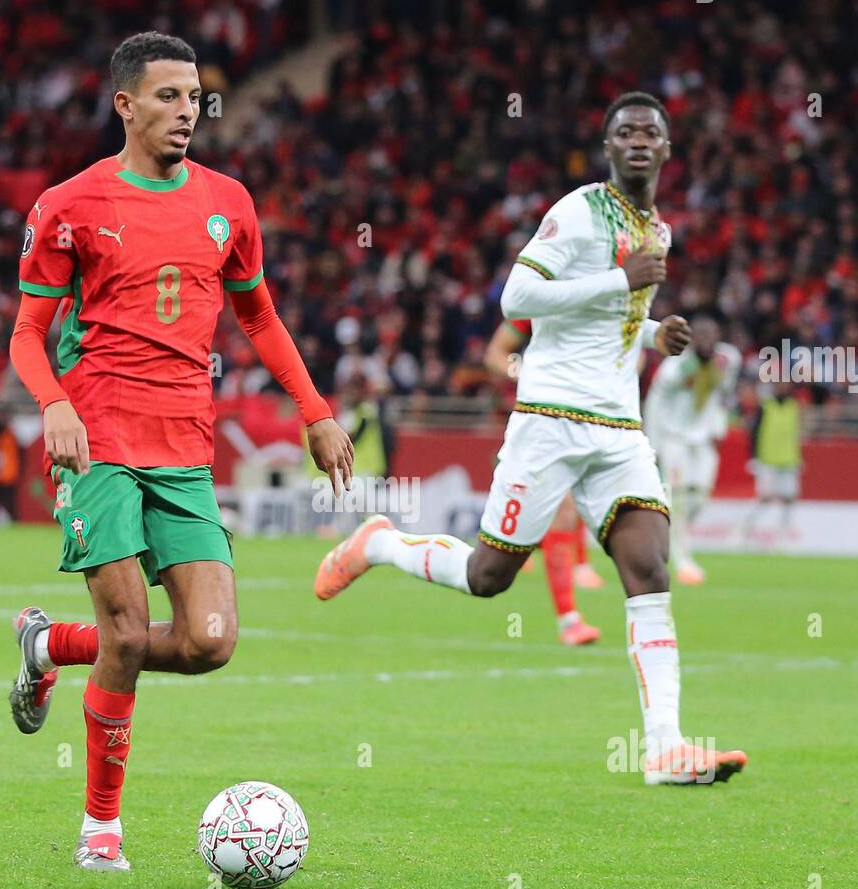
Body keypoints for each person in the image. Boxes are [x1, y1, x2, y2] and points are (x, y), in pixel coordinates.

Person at [316, 93, 746, 785]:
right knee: (489, 577)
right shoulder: (579, 211)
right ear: (609, 147)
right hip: (548, 418)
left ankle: (664, 748)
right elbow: (517, 298)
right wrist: (619, 281)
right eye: (626, 131)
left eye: (652, 132)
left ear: (667, 149)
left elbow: (610, 318)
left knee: (650, 570)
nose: (640, 140)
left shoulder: (657, 230)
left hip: (619, 429)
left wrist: (650, 331)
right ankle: (381, 543)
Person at [7, 31, 353, 871]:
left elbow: (259, 317)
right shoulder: (70, 204)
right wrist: (53, 404)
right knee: (126, 634)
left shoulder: (228, 203)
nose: (186, 113)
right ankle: (100, 830)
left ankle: (50, 647)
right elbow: (26, 333)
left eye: (194, 98)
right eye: (167, 97)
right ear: (125, 105)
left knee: (209, 640)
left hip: (184, 448)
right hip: (97, 443)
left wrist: (315, 411)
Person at [483, 317, 600, 645]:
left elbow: (636, 355)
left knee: (566, 511)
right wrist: (525, 376)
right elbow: (496, 354)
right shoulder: (538, 301)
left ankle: (569, 618)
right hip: (540, 425)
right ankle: (387, 547)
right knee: (486, 569)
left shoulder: (607, 299)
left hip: (588, 422)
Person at [643, 310, 739, 584]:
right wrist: (654, 444)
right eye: (701, 335)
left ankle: (666, 532)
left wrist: (718, 426)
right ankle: (683, 560)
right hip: (674, 439)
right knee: (680, 498)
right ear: (691, 339)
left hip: (703, 439)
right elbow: (655, 402)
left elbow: (724, 394)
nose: (707, 340)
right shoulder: (675, 368)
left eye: (712, 335)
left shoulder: (727, 360)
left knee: (701, 496)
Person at [743, 377, 802, 548]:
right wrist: (753, 457)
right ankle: (744, 530)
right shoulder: (765, 407)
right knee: (765, 498)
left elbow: (795, 434)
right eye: (780, 384)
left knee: (789, 499)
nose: (783, 387)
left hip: (789, 460)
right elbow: (754, 433)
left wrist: (799, 458)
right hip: (768, 460)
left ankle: (782, 539)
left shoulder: (794, 407)